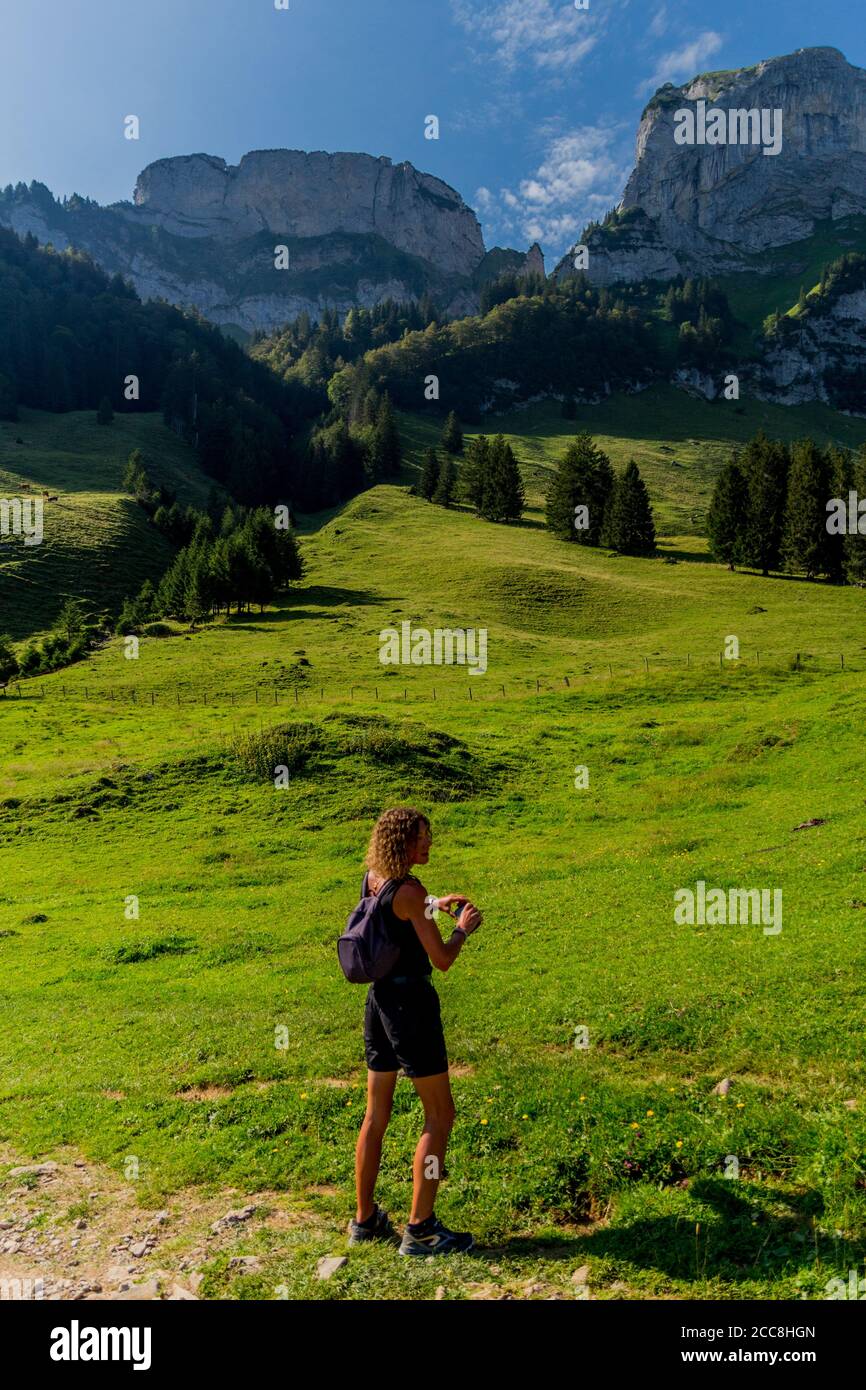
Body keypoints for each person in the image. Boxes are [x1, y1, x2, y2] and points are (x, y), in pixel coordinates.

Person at [348, 806, 482, 1255]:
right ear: (403, 841)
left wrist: (434, 904)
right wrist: (461, 928)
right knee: (440, 1116)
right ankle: (421, 1228)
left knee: (375, 1115)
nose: (428, 845)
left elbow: (400, 913)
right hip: (412, 1008)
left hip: (379, 1003)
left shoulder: (374, 877)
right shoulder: (410, 889)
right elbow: (442, 958)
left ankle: (364, 1220)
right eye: (422, 839)